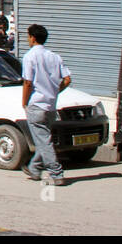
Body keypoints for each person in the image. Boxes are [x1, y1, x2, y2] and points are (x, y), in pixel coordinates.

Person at [21, 24, 71, 186]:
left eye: (28, 36)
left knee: (44, 141)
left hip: (36, 104)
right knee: (44, 139)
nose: (28, 39)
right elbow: (67, 79)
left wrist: (24, 102)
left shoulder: (30, 57)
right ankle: (34, 169)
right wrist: (55, 91)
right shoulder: (54, 57)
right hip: (50, 105)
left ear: (33, 38)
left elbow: (28, 82)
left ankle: (57, 173)